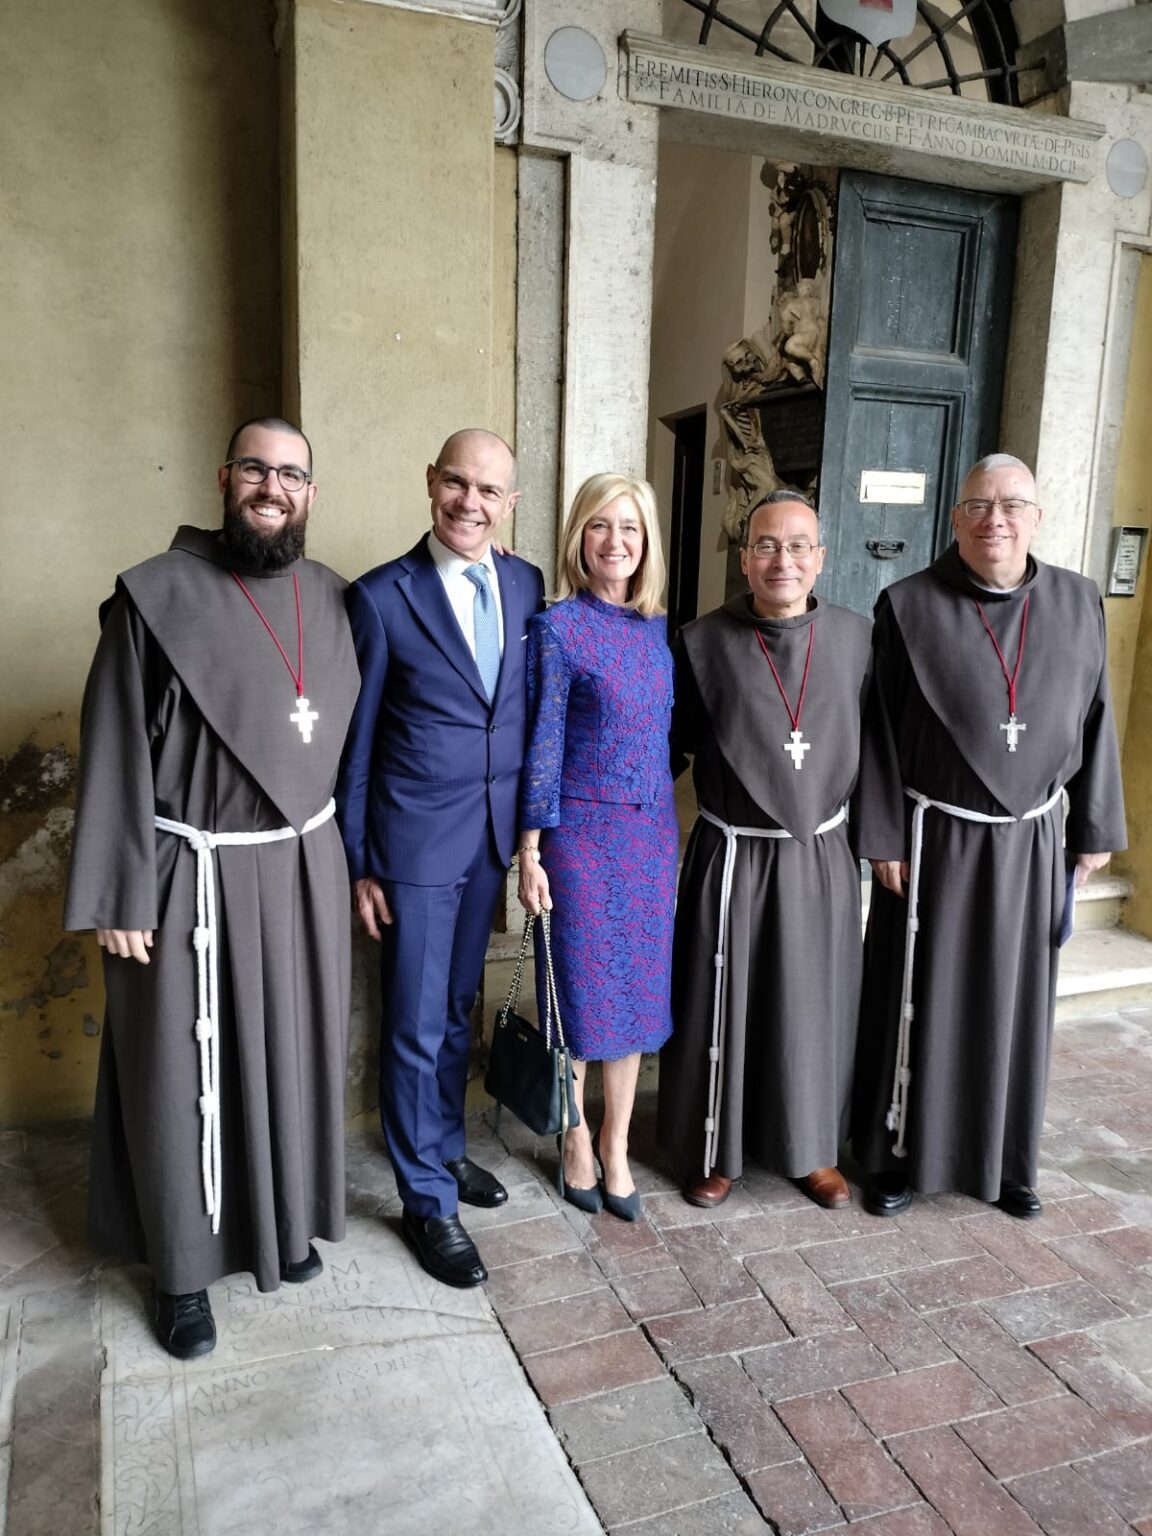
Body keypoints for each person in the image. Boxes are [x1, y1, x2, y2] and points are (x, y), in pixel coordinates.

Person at [64, 417, 361, 1360]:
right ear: (223, 476)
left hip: (300, 866)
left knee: (289, 1049)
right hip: (187, 874)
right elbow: (112, 744)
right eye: (256, 470)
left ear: (310, 492)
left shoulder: (333, 596)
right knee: (179, 1067)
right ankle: (183, 1270)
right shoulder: (153, 598)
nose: (272, 487)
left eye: (292, 474)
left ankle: (279, 1226)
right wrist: (117, 893)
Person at [852, 454, 1126, 1220]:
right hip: (934, 840)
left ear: (1037, 515)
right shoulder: (905, 604)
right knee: (919, 994)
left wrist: (1094, 823)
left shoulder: (1078, 601)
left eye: (1012, 504)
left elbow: (1099, 715)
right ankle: (897, 1154)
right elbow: (875, 734)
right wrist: (883, 838)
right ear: (955, 519)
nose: (995, 519)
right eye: (978, 505)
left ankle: (1008, 1163)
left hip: (1033, 843)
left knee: (1014, 1004)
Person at [336, 430, 545, 1287]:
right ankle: (426, 1199)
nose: (470, 503)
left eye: (488, 490)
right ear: (430, 484)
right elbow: (354, 745)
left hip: (492, 836)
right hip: (414, 846)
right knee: (417, 1023)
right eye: (456, 484)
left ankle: (443, 1150)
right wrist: (359, 861)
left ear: (510, 503)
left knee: (457, 1009)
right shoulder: (381, 596)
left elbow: (521, 712)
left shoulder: (527, 582)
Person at [658, 490, 871, 1210]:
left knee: (811, 1005)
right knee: (727, 1004)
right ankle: (718, 1148)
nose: (783, 560)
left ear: (821, 557)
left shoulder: (859, 637)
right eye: (766, 546)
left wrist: (882, 845)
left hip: (820, 855)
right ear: (744, 558)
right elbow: (667, 747)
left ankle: (810, 1150)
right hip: (735, 855)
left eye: (798, 545)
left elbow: (883, 751)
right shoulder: (700, 641)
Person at [518, 474, 677, 1221]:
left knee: (638, 1000)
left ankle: (617, 1143)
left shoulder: (656, 630)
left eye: (631, 529)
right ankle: (574, 1137)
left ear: (647, 545)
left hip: (649, 838)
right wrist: (529, 850)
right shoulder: (556, 628)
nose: (615, 541)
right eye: (600, 526)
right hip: (579, 837)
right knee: (579, 992)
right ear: (579, 536)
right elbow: (542, 745)